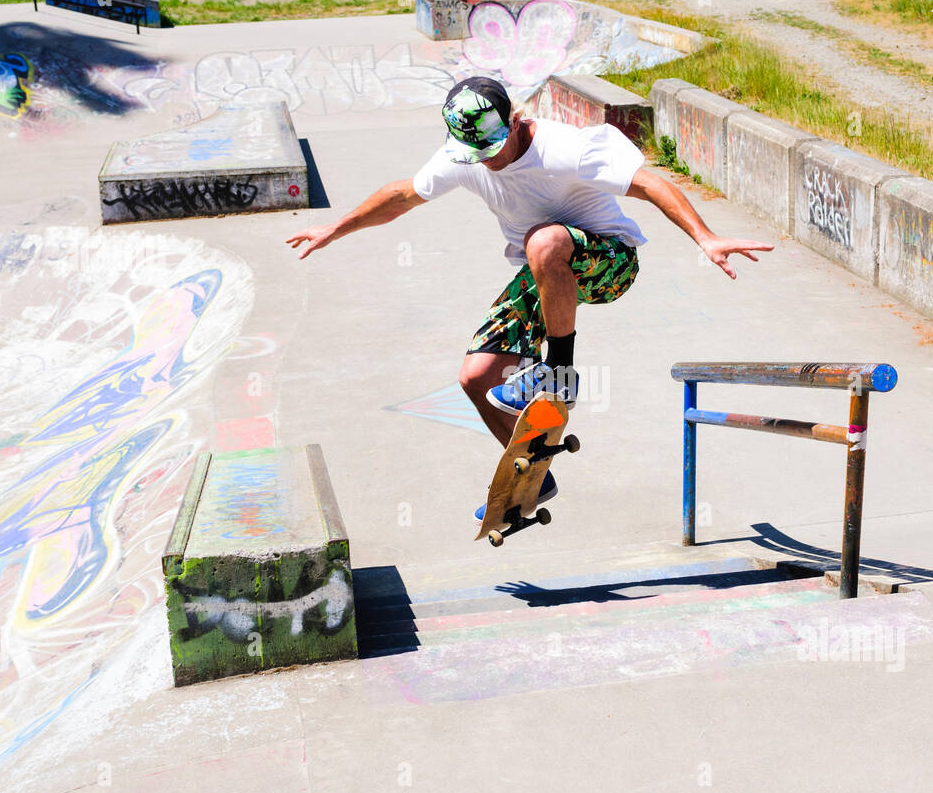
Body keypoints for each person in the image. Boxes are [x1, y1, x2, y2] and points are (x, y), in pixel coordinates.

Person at [287, 76, 774, 521]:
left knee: (541, 241)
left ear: (516, 121)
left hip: (610, 263)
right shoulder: (463, 154)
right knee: (475, 377)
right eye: (477, 153)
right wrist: (336, 228)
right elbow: (402, 195)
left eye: (495, 148)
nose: (487, 161)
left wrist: (704, 237)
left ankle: (560, 371)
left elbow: (648, 183)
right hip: (547, 274)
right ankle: (533, 478)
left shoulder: (566, 148)